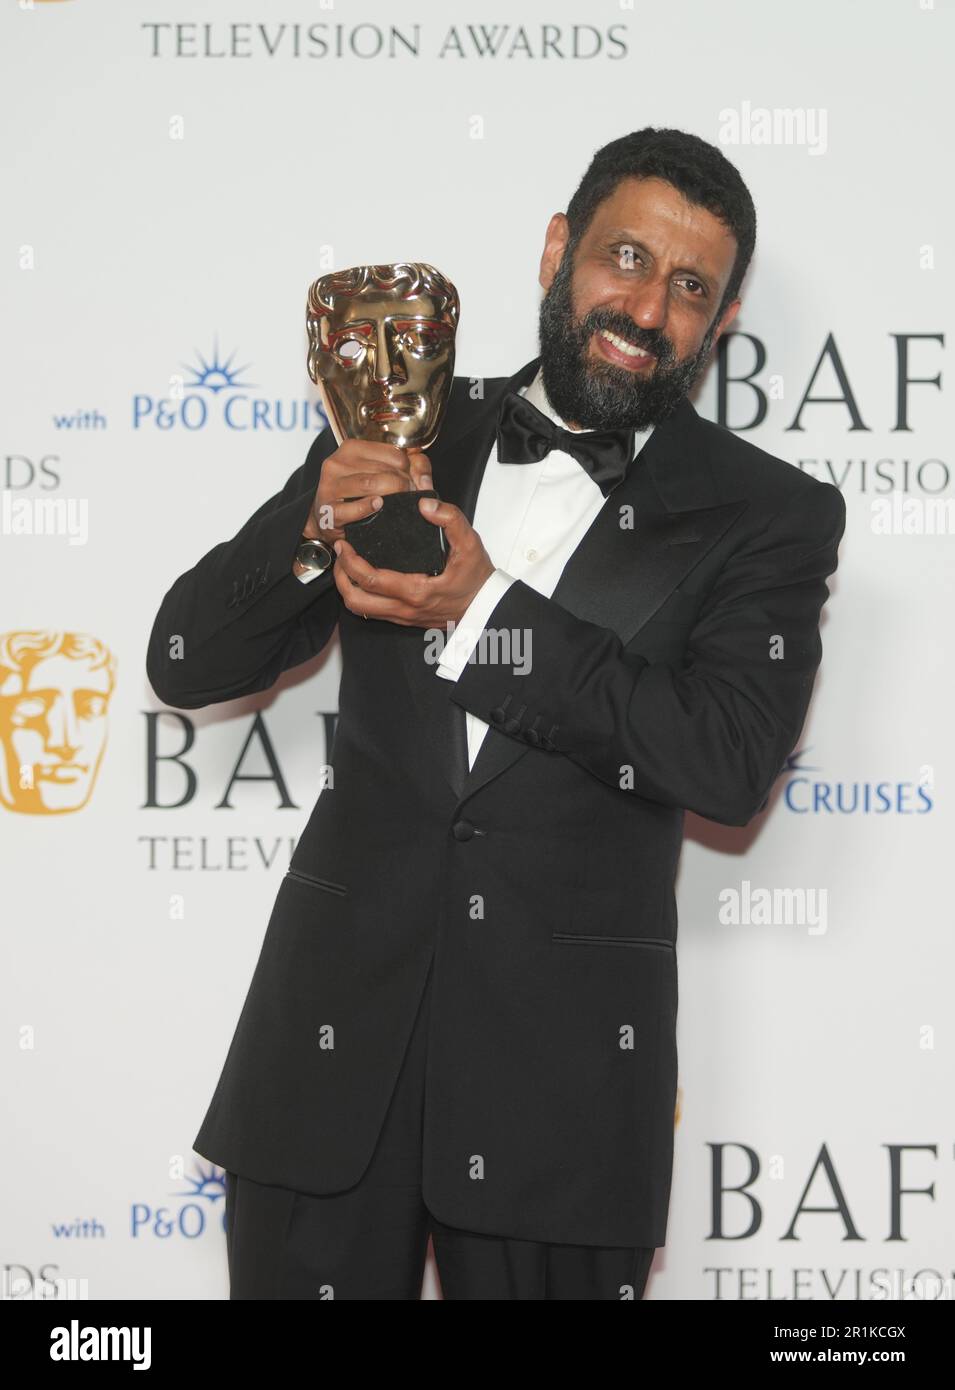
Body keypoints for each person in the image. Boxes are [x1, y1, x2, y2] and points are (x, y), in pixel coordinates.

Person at [146, 127, 846, 1300]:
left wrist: (485, 614)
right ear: (556, 250)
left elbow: (724, 761)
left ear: (718, 324)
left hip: (564, 1099)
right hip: (326, 1062)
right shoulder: (402, 423)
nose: (647, 306)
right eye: (624, 256)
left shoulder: (767, 514)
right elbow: (187, 658)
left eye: (690, 287)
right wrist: (310, 520)